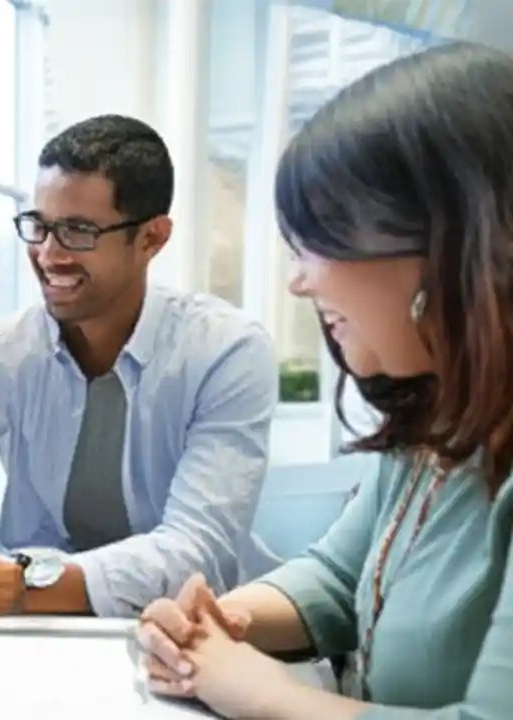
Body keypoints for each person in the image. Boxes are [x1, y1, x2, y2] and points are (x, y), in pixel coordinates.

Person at [137, 42, 513, 719]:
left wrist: (260, 692)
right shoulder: (434, 424)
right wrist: (218, 624)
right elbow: (341, 577)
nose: (298, 280)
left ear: (451, 242)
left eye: (319, 241)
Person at [0, 114, 277, 622]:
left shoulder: (226, 351)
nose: (48, 254)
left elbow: (196, 552)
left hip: (187, 628)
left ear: (151, 238)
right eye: (39, 226)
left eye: (78, 231)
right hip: (29, 630)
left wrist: (13, 585)